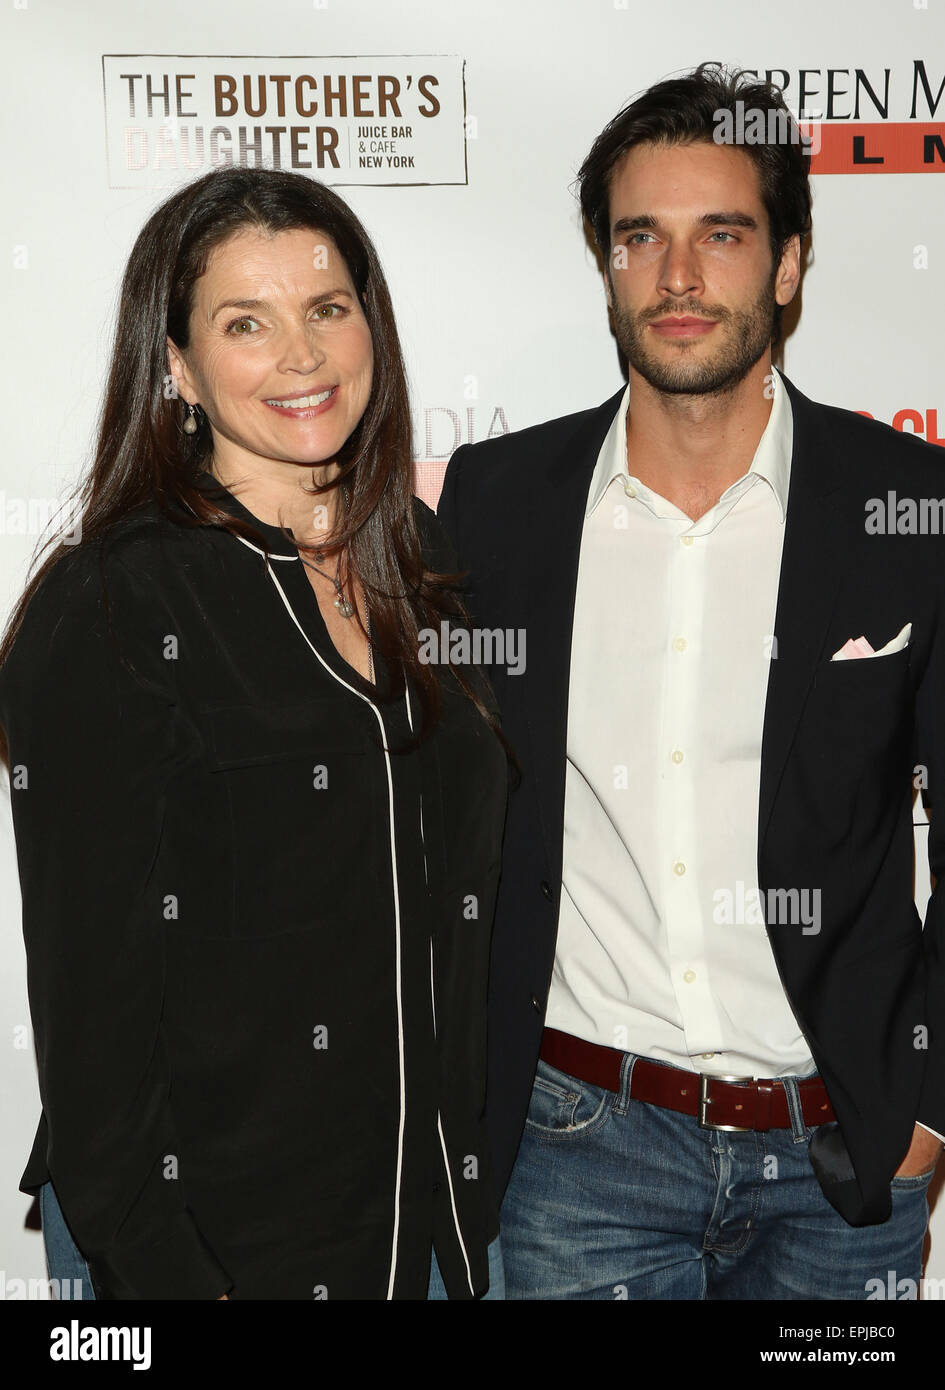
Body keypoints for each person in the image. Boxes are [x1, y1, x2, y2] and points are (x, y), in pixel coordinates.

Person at [437, 62, 945, 1300]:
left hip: (844, 1164)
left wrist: (927, 1109)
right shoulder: (497, 505)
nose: (677, 278)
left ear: (787, 264)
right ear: (605, 266)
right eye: (640, 239)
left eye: (720, 235)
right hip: (575, 1157)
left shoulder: (910, 510)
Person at [0, 166, 508, 1300]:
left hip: (419, 1230)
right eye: (246, 322)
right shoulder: (114, 608)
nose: (303, 354)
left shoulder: (423, 569)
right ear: (175, 364)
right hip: (207, 1245)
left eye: (328, 308)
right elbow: (92, 1020)